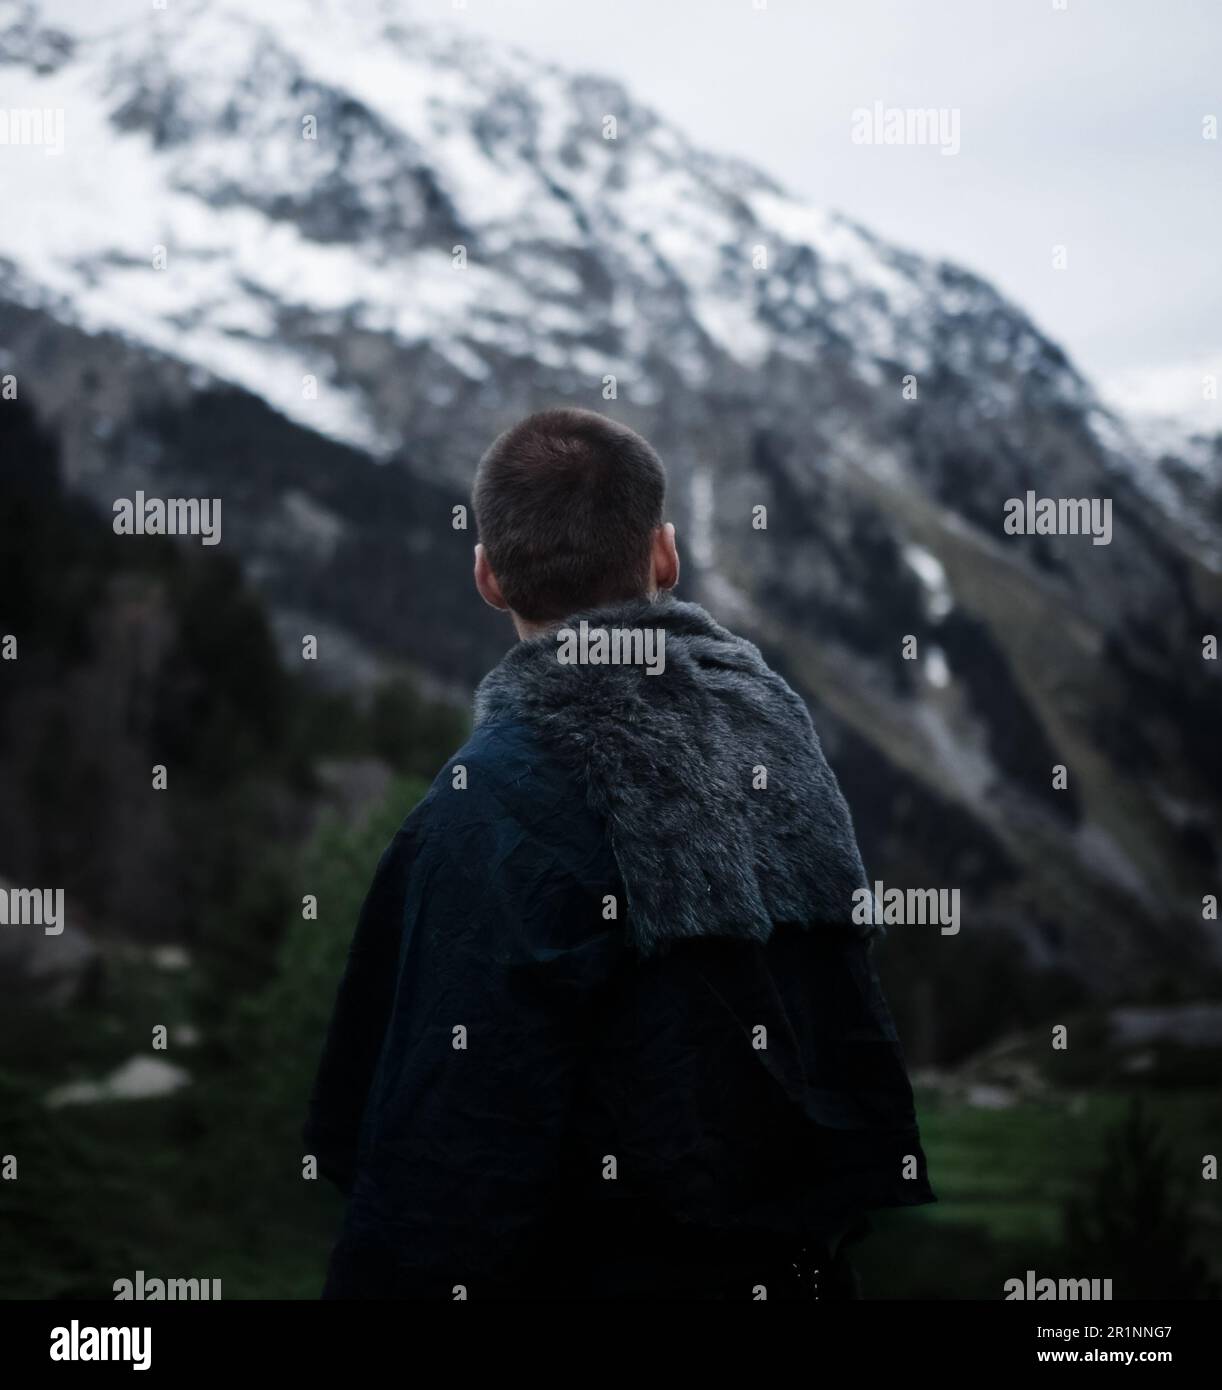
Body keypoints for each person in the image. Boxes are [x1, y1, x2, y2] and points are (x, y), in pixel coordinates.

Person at [304, 407, 935, 1300]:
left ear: (487, 577)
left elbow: (441, 1156)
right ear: (665, 558)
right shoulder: (776, 736)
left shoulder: (494, 800)